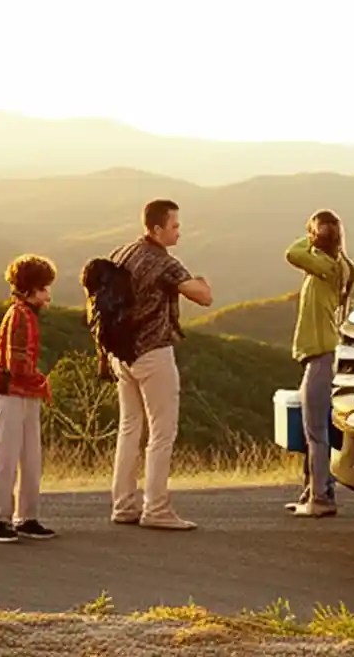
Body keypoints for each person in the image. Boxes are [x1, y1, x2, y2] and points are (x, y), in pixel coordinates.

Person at [108, 200, 214, 531]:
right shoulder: (162, 262)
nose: (178, 231)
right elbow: (203, 296)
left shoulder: (121, 253)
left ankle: (124, 505)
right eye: (174, 226)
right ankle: (156, 508)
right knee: (162, 433)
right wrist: (202, 281)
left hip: (121, 354)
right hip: (153, 351)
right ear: (156, 229)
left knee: (129, 429)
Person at [0, 254, 58, 544]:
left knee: (30, 457)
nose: (48, 294)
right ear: (30, 290)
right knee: (6, 457)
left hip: (25, 395)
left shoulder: (27, 315)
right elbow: (17, 365)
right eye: (44, 288)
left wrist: (37, 384)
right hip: (7, 394)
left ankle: (26, 517)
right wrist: (42, 382)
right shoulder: (19, 316)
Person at [283, 210, 354, 517]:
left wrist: (309, 233)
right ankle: (314, 491)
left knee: (315, 430)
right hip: (322, 353)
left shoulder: (324, 265)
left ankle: (321, 500)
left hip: (321, 354)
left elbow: (292, 252)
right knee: (316, 426)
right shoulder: (338, 265)